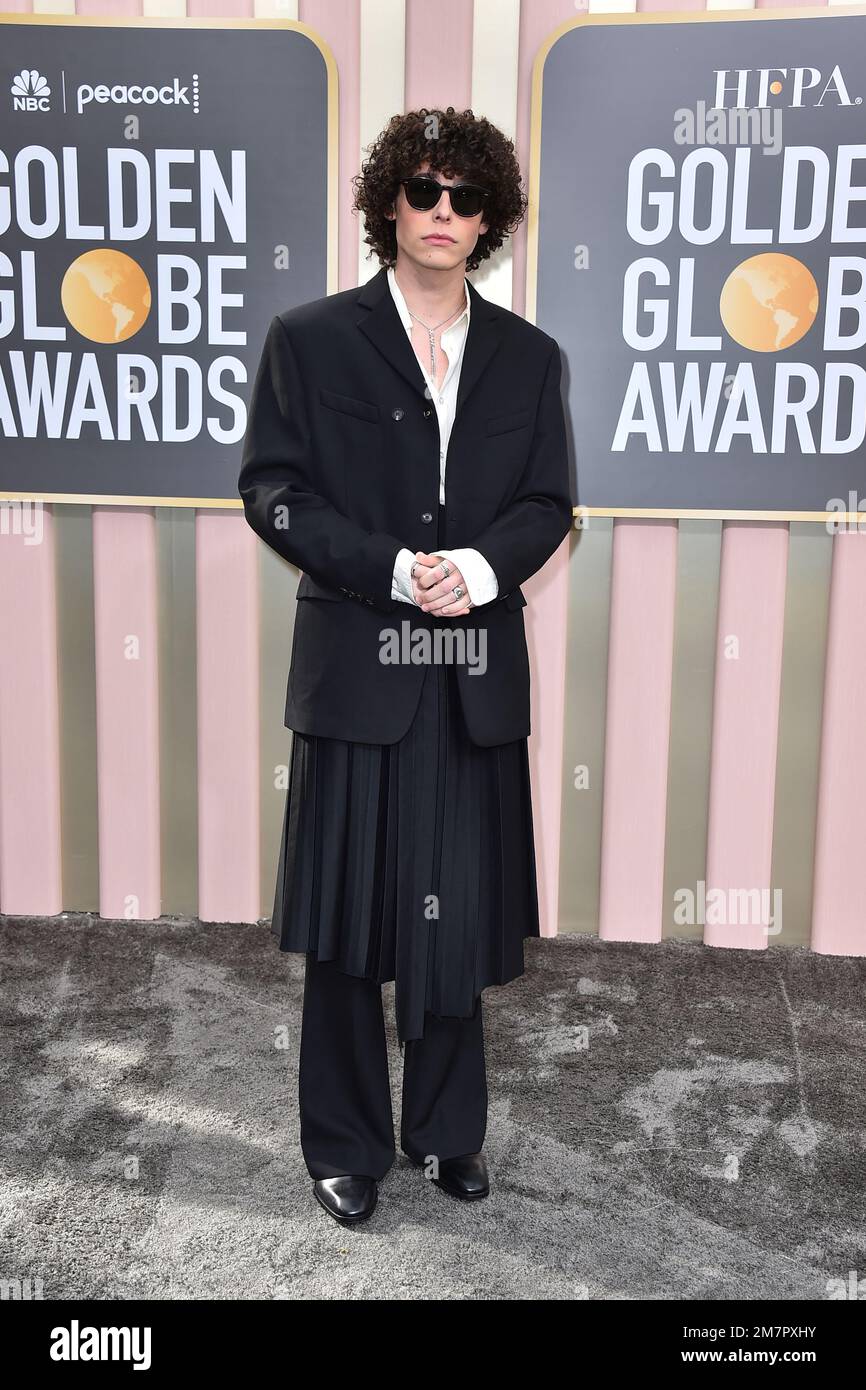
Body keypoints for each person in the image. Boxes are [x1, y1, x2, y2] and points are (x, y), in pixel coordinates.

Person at [238, 106, 573, 1226]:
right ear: (388, 200)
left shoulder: (529, 357)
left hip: (467, 670)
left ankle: (445, 1132)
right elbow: (274, 489)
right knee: (343, 921)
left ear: (490, 220)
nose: (442, 213)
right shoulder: (311, 337)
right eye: (423, 190)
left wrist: (474, 569)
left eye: (465, 198)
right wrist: (388, 567)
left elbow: (546, 504)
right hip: (357, 660)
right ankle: (342, 1142)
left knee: (454, 910)